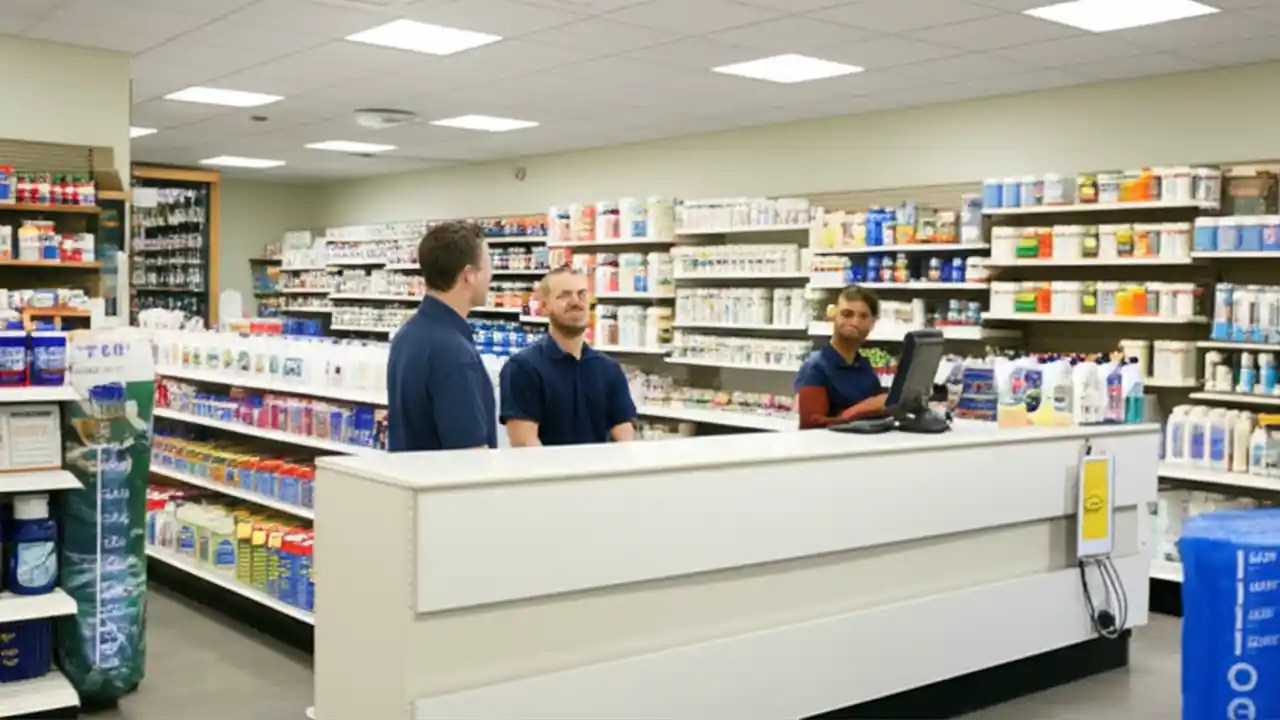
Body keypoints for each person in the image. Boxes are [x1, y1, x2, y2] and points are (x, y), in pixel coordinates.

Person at [386, 221, 497, 451]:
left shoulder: (407, 336)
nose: (491, 276)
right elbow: (470, 456)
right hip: (446, 485)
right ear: (469, 275)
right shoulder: (454, 352)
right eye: (488, 267)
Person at [500, 267, 637, 447]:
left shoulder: (609, 369)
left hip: (599, 473)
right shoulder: (523, 368)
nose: (575, 301)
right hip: (548, 474)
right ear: (544, 306)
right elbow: (526, 447)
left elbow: (626, 442)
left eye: (581, 294)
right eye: (564, 295)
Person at [795, 286, 888, 429]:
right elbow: (812, 427)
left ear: (873, 322)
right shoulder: (815, 368)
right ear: (834, 316)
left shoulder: (863, 366)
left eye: (863, 316)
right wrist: (864, 408)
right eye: (847, 314)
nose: (855, 322)